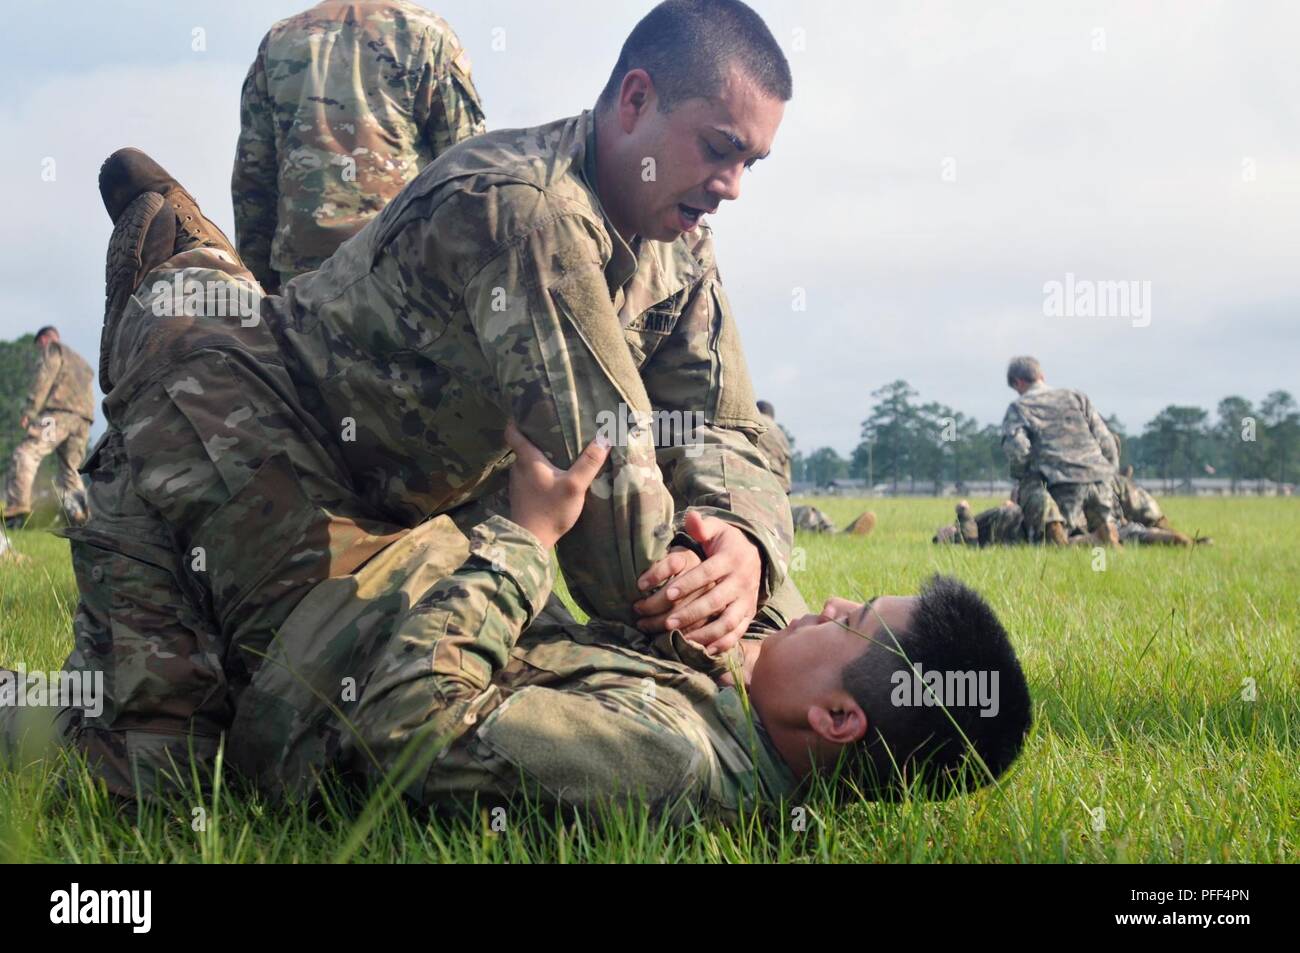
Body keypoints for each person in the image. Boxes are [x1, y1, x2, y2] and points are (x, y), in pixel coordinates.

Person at [0, 0, 802, 795]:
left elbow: (726, 423)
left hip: (401, 507)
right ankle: (178, 284)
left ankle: (205, 282)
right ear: (635, 101)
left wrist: (744, 539)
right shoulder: (528, 213)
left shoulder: (682, 244)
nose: (732, 186)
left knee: (306, 694)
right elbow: (612, 532)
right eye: (719, 148)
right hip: (253, 433)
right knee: (161, 773)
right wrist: (755, 669)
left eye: (752, 163)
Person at [232, 0, 486, 292]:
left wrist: (259, 286)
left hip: (303, 278)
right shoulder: (427, 34)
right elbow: (467, 169)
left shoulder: (280, 41)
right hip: (402, 268)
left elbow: (253, 181)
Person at [1001, 355, 1120, 546]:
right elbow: (1106, 440)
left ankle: (1077, 539)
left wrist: (1023, 477)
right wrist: (1110, 473)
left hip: (1062, 483)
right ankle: (1105, 536)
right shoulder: (1076, 397)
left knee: (1057, 542)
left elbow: (1018, 450)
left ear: (1018, 382)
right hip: (1100, 480)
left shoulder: (1019, 407)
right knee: (1107, 533)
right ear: (1042, 376)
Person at [3, 327, 93, 529]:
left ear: (43, 339)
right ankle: (81, 516)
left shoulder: (53, 350)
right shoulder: (80, 361)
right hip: (82, 420)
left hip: (58, 415)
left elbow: (44, 377)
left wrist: (30, 410)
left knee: (27, 453)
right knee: (71, 470)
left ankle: (16, 510)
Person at [755, 399, 792, 492]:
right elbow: (786, 468)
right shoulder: (780, 433)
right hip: (779, 486)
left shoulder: (752, 423)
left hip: (755, 481)